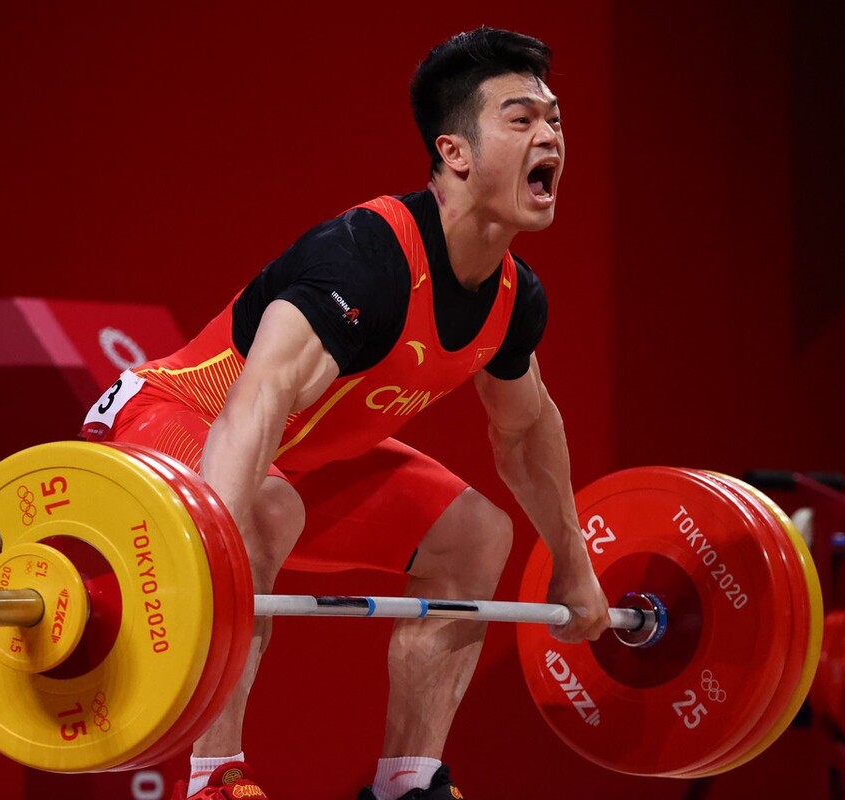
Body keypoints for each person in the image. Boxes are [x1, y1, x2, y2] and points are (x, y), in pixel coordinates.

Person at [81, 27, 610, 800]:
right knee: (258, 507)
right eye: (521, 117)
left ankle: (407, 783)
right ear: (455, 152)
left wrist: (574, 562)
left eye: (555, 119)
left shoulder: (512, 298)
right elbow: (254, 405)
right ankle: (212, 777)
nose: (550, 135)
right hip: (179, 420)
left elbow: (526, 432)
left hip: (297, 461)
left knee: (476, 537)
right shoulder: (366, 257)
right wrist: (207, 561)